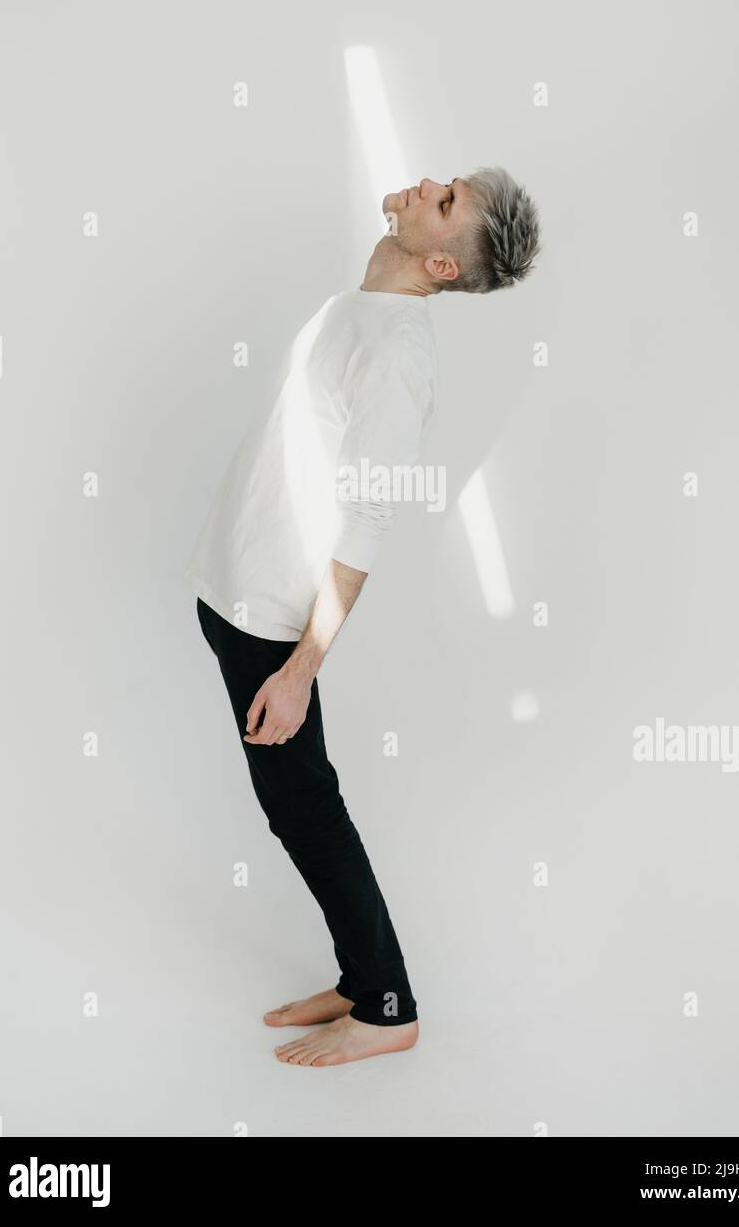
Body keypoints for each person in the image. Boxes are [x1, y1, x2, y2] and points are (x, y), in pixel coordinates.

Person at [186, 169, 540, 1067]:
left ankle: (387, 1005)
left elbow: (367, 521)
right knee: (300, 804)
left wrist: (300, 669)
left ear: (442, 265)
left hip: (270, 624)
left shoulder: (397, 354)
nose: (427, 184)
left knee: (304, 809)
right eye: (448, 183)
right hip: (235, 595)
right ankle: (358, 978)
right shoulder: (366, 306)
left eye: (446, 202)